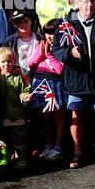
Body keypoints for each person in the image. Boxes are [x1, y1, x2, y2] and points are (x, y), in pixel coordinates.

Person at [51, 0, 95, 169]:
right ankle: (77, 152)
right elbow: (55, 50)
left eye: (92, 1)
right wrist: (69, 52)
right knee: (76, 116)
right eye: (86, 2)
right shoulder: (66, 25)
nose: (90, 5)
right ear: (77, 4)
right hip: (76, 79)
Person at [26, 18, 67, 162]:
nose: (50, 37)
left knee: (58, 119)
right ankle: (48, 146)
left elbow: (60, 69)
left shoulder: (62, 48)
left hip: (55, 83)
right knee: (47, 119)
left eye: (53, 33)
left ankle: (58, 148)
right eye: (47, 33)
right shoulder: (41, 45)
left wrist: (48, 54)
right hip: (41, 82)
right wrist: (41, 54)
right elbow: (31, 64)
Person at [0, 45, 32, 169]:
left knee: (19, 140)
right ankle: (4, 157)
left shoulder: (20, 77)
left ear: (14, 61)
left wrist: (25, 96)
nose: (6, 64)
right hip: (0, 115)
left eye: (9, 61)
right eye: (3, 61)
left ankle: (21, 158)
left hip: (17, 115)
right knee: (2, 141)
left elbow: (25, 90)